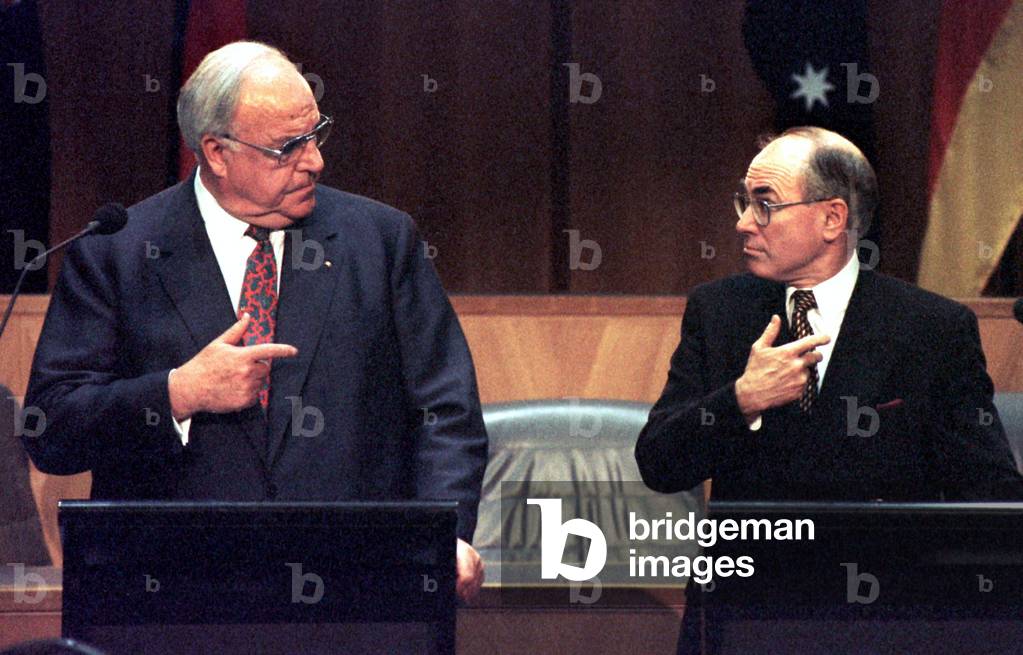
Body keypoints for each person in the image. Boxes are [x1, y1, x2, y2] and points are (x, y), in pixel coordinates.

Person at [23, 41, 487, 601]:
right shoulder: (117, 253)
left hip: (356, 586)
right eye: (288, 147)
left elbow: (446, 411)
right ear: (216, 153)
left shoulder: (381, 242)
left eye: (316, 134)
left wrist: (447, 531)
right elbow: (52, 431)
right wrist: (175, 393)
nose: (315, 160)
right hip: (171, 592)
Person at [636, 125, 1023, 503]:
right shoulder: (719, 310)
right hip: (755, 564)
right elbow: (658, 465)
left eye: (765, 205)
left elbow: (989, 492)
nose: (744, 223)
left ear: (832, 219)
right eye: (745, 202)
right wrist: (742, 399)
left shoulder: (932, 328)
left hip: (876, 565)